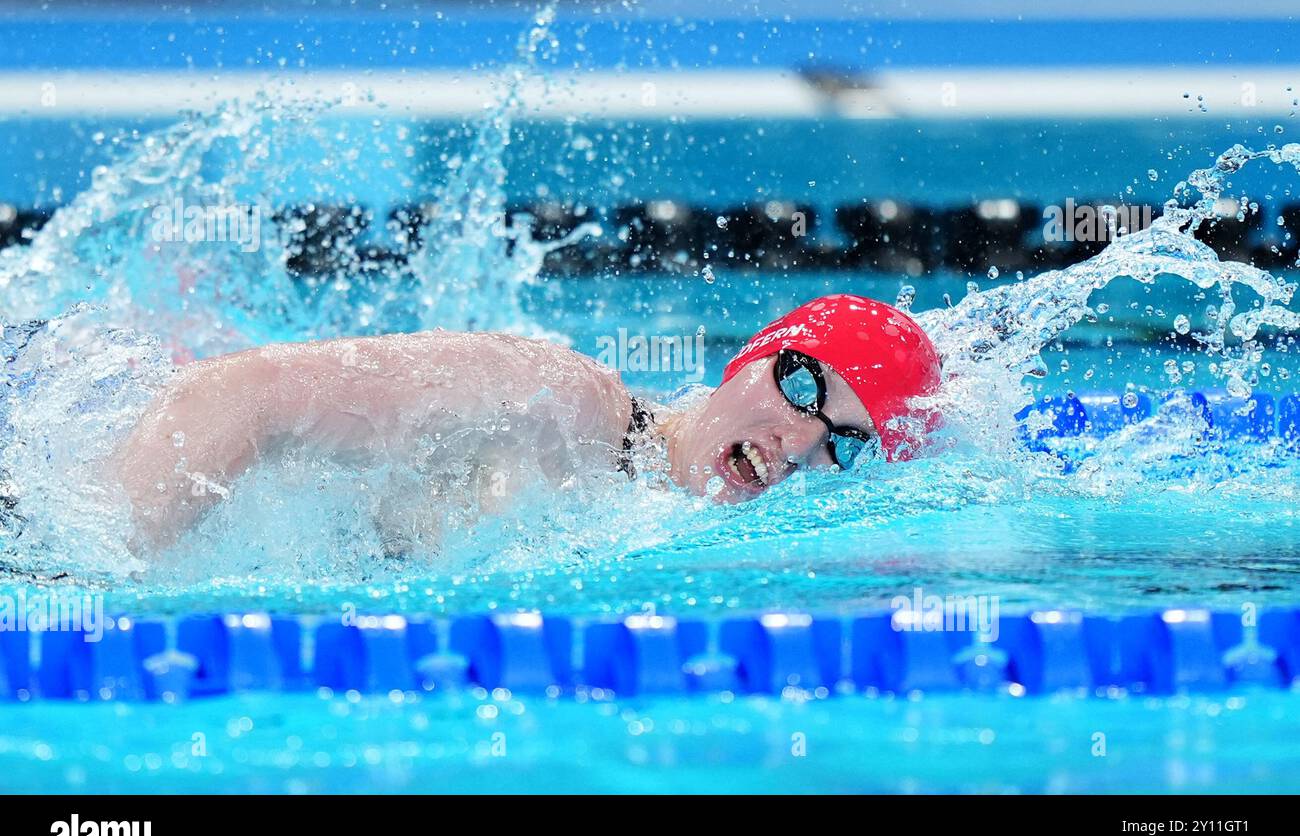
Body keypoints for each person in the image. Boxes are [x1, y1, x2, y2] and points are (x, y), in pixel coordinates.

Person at [108, 294, 941, 553]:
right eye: (804, 386)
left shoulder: (669, 536)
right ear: (752, 357)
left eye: (846, 442)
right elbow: (232, 396)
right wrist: (88, 573)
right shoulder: (551, 402)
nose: (800, 442)